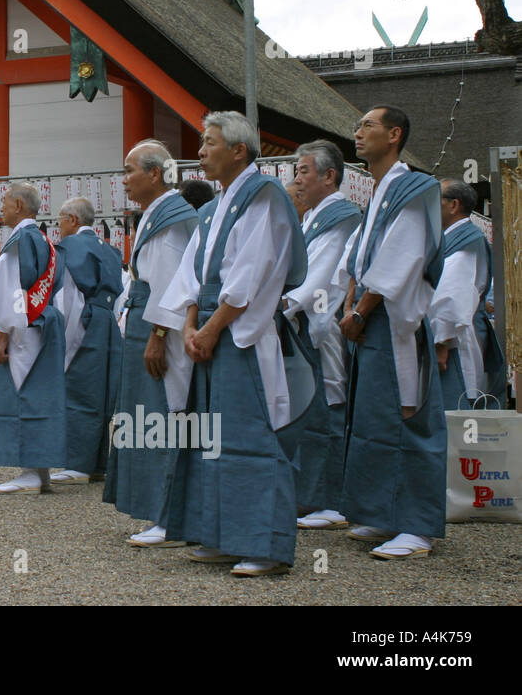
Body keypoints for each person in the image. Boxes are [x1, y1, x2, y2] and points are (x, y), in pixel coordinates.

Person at [158, 111, 306, 576]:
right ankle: (221, 533)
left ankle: (263, 543)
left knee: (249, 434)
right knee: (211, 437)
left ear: (239, 150)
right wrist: (187, 322)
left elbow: (253, 269)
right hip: (207, 331)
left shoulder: (264, 196)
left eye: (209, 143)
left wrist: (213, 326)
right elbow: (192, 272)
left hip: (239, 334)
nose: (200, 152)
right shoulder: (213, 206)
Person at [336, 105, 446, 560]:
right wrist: (348, 301)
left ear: (394, 135)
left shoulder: (414, 189)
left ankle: (416, 525)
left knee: (405, 418)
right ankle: (383, 511)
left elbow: (401, 259)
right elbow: (358, 256)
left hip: (394, 318)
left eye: (368, 126)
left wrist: (360, 311)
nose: (358, 133)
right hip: (369, 316)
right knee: (373, 419)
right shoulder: (379, 191)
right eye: (359, 126)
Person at [104, 141, 198, 547]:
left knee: (162, 414)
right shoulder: (156, 215)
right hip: (147, 320)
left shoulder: (171, 218)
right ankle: (161, 512)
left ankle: (169, 516)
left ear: (155, 173)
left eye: (129, 171)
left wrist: (158, 336)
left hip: (161, 327)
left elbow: (171, 284)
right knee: (145, 416)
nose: (124, 179)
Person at [282, 141, 362, 530]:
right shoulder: (315, 216)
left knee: (329, 405)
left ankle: (332, 499)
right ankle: (314, 496)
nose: (298, 178)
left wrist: (284, 304)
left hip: (322, 324)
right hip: (307, 322)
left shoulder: (340, 218)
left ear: (329, 177)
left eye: (304, 171)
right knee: (311, 410)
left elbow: (322, 278)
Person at [0, 181, 66, 493]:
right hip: (39, 321)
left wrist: (2, 337)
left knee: (22, 393)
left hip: (23, 327)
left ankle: (29, 471)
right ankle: (40, 470)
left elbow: (14, 292)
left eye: (5, 202)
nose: (1, 208)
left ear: (18, 206)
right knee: (36, 394)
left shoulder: (22, 239)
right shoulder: (41, 238)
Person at [50, 195, 123, 484]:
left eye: (60, 219)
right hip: (108, 319)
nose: (59, 226)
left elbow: (69, 297)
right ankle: (98, 462)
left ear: (72, 219)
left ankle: (77, 464)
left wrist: (66, 343)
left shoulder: (70, 248)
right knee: (104, 392)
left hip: (84, 319)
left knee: (78, 389)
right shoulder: (110, 249)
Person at [430, 179, 507, 410]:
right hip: (448, 335)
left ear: (453, 205)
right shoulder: (450, 238)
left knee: (454, 410)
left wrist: (441, 342)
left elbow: (451, 296)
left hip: (453, 339)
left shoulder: (467, 240)